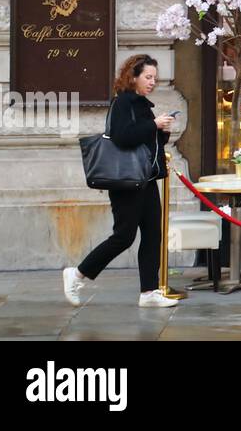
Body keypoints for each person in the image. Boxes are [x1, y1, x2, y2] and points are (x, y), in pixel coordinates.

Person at [64, 54, 178, 308]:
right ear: (133, 77)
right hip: (126, 182)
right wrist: (154, 125)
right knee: (124, 236)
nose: (152, 82)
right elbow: (122, 137)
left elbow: (145, 144)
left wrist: (162, 132)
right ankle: (78, 274)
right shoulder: (123, 102)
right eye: (147, 77)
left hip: (145, 179)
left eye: (154, 79)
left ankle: (148, 292)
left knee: (152, 235)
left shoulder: (141, 105)